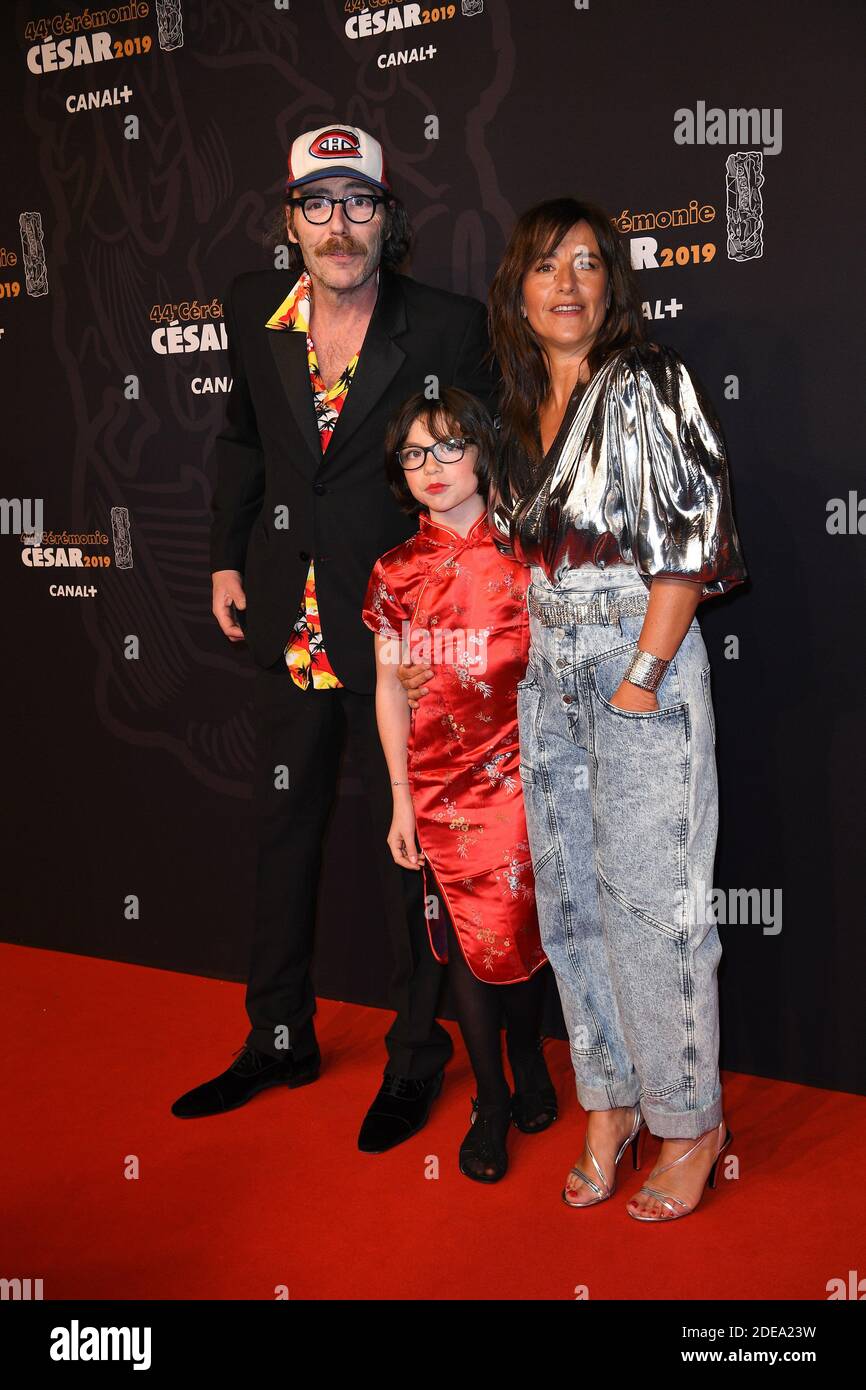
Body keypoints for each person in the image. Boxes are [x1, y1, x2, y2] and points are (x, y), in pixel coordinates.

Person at [400, 197, 746, 1221]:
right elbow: (487, 558)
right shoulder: (506, 410)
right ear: (516, 287)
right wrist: (434, 658)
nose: (566, 283)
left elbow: (687, 542)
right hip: (542, 672)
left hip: (636, 655)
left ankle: (688, 1120)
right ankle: (608, 1101)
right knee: (572, 907)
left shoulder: (646, 384)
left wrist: (640, 673)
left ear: (611, 287)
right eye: (545, 264)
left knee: (652, 911)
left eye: (587, 264)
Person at [172, 124, 497, 1156]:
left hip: (399, 639)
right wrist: (228, 555)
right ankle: (278, 1036)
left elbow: (475, 468)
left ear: (386, 217)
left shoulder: (444, 327)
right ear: (289, 218)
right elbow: (242, 439)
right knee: (283, 835)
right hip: (287, 619)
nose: (338, 224)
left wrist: (449, 600)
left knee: (408, 849)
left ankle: (414, 1055)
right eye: (318, 203)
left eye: (359, 202)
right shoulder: (248, 310)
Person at [360, 387, 556, 1181]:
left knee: (516, 936)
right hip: (439, 789)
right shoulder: (394, 571)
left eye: (447, 446)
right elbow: (384, 687)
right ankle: (492, 1101)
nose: (431, 467)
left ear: (481, 448)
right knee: (471, 953)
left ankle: (533, 1066)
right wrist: (401, 797)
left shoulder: (527, 551)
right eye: (412, 453)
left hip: (523, 777)